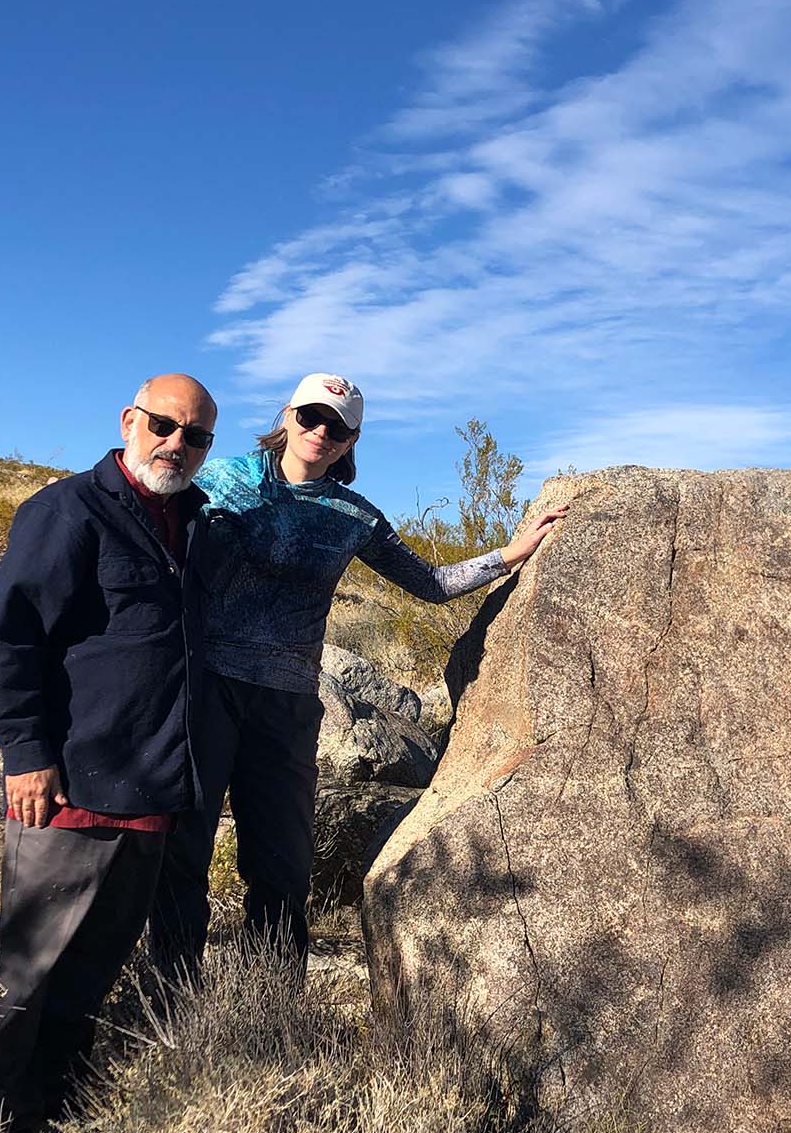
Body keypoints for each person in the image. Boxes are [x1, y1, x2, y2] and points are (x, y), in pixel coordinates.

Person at [162, 373, 567, 972]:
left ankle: (269, 1006)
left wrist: (510, 554)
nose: (321, 433)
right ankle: (170, 994)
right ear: (287, 416)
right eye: (311, 418)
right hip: (206, 692)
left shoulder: (354, 516)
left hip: (288, 707)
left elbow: (429, 584)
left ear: (352, 441)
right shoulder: (217, 483)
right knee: (183, 853)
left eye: (339, 427)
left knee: (281, 866)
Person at [0, 373, 218, 1133]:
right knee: (23, 981)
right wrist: (27, 753)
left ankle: (42, 1132)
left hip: (150, 791)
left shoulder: (195, 521)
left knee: (86, 984)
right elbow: (10, 638)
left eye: (196, 436)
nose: (176, 444)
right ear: (129, 420)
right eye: (163, 426)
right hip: (69, 791)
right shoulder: (68, 510)